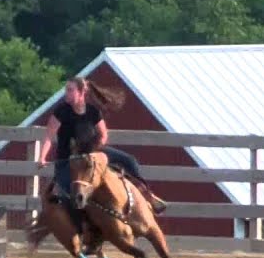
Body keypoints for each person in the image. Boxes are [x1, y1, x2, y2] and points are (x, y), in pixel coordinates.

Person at [37, 76, 167, 213]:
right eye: (66, 90)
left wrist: (97, 148)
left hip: (93, 153)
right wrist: (42, 157)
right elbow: (49, 136)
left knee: (130, 160)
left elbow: (103, 134)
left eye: (70, 90)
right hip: (68, 160)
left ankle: (147, 195)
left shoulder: (93, 111)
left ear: (81, 93)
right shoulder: (61, 112)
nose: (66, 93)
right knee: (70, 190)